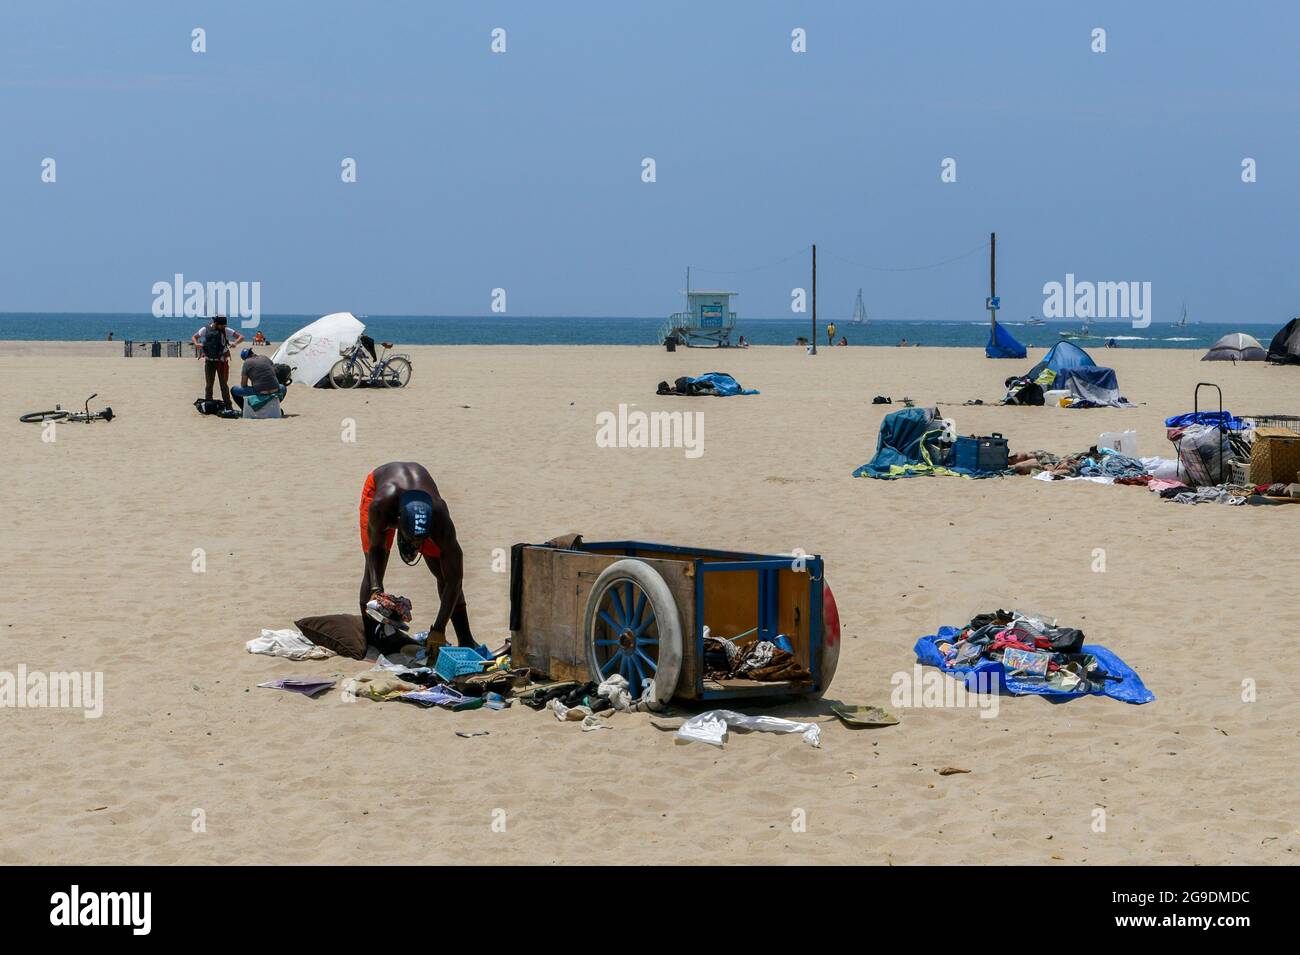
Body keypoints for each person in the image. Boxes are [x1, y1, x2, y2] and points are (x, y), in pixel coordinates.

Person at [358, 462, 474, 653]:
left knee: (443, 573)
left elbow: (454, 579)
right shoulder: (380, 507)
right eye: (411, 541)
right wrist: (376, 589)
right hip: (380, 488)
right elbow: (375, 549)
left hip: (422, 509)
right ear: (396, 523)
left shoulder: (440, 518)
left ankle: (466, 638)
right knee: (373, 570)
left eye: (418, 542)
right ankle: (372, 640)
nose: (414, 548)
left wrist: (438, 629)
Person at [191, 316, 244, 410]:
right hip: (211, 361)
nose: (224, 327)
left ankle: (227, 406)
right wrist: (196, 344)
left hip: (221, 362)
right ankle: (209, 405)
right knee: (210, 385)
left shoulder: (224, 329)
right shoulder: (206, 329)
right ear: (216, 324)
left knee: (222, 385)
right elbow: (194, 337)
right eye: (222, 325)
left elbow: (241, 337)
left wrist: (235, 343)